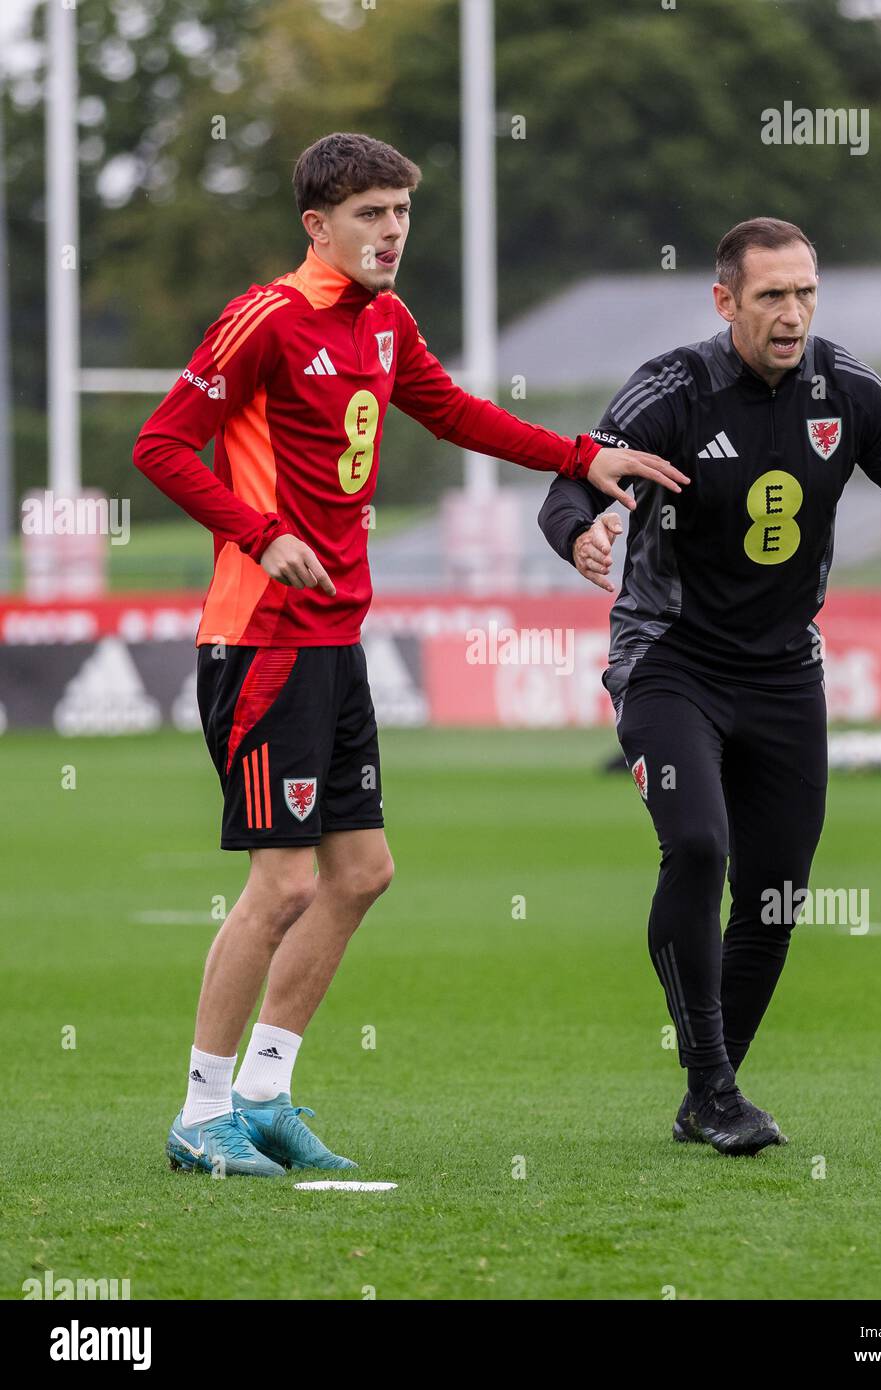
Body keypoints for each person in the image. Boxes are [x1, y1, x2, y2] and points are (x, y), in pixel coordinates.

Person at [133, 132, 686, 1177]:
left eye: (400, 213)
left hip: (335, 638)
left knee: (362, 873)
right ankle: (199, 1114)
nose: (392, 232)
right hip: (259, 638)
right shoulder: (266, 319)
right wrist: (261, 531)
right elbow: (159, 444)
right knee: (284, 883)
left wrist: (582, 455)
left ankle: (263, 1096)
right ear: (317, 224)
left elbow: (452, 411)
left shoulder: (384, 323)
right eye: (370, 215)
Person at [538, 217, 881, 1156]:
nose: (792, 315)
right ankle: (711, 1088)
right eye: (770, 297)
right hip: (668, 661)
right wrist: (579, 531)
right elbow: (571, 482)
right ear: (725, 302)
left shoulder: (847, 387)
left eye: (805, 294)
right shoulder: (672, 390)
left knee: (777, 896)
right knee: (700, 846)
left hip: (785, 669)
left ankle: (712, 1090)